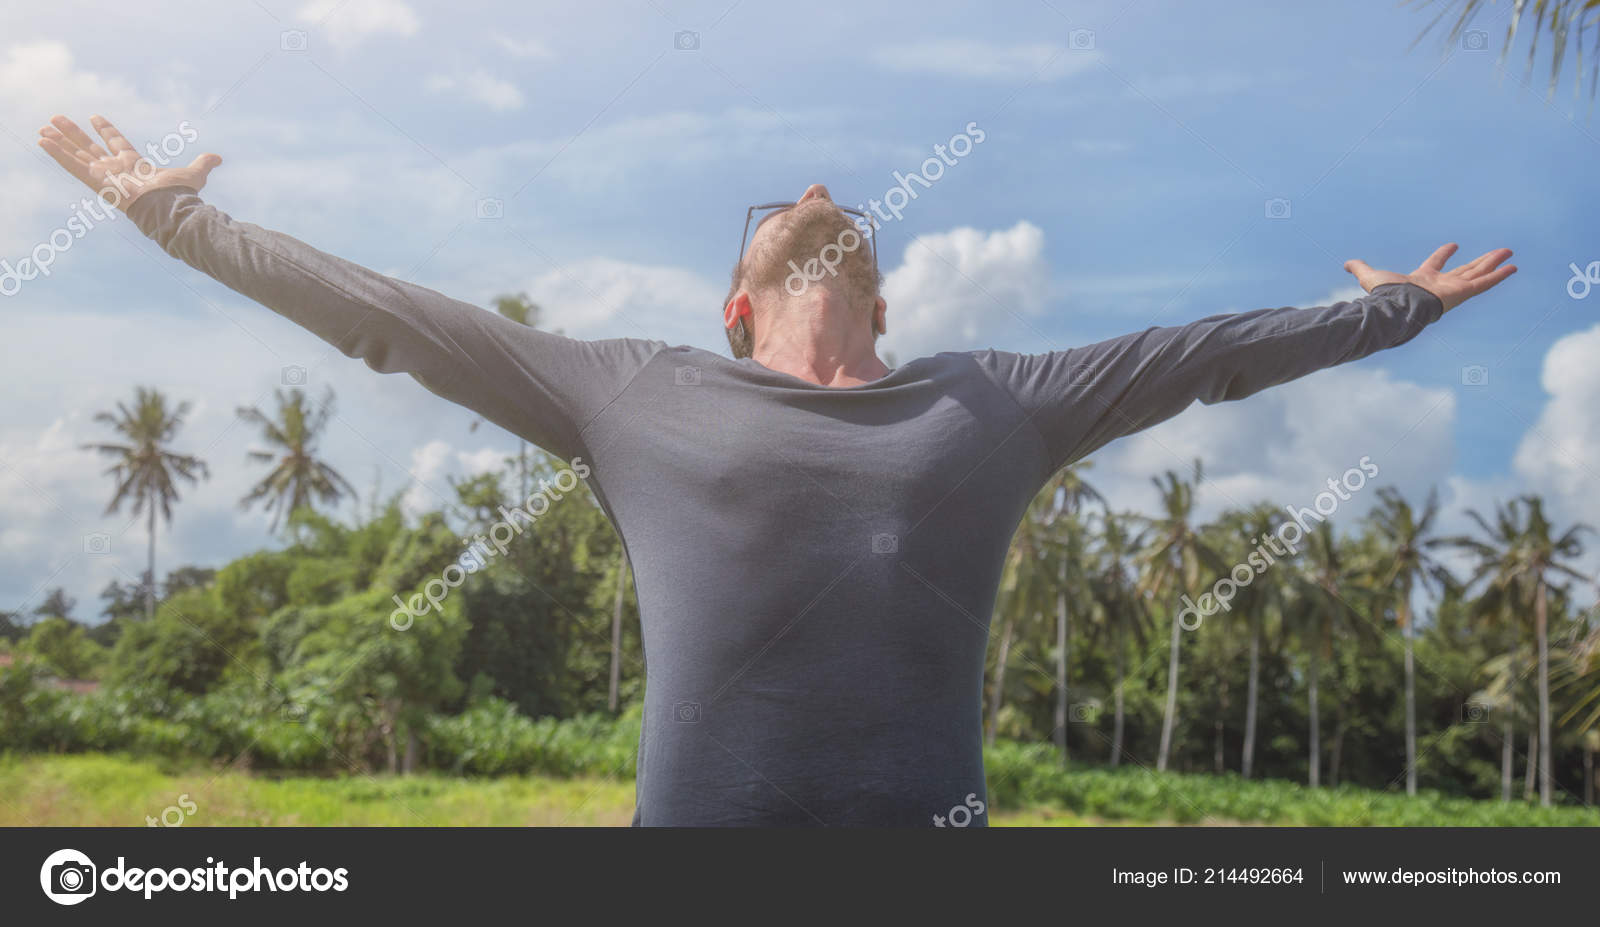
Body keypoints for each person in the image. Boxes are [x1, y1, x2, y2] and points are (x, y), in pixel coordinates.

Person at [36, 113, 1516, 826]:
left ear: (882, 298)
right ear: (735, 308)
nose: (812, 196)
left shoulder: (994, 396)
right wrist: (181, 223)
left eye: (830, 198)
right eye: (779, 203)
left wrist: (1389, 312)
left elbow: (1208, 353)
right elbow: (391, 323)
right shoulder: (632, 390)